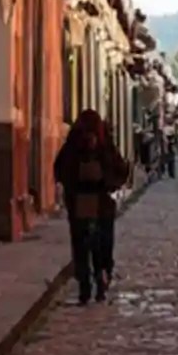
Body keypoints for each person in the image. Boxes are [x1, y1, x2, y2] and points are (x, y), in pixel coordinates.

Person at [53, 110, 130, 304]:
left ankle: (84, 287)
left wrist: (73, 188)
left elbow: (60, 170)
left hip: (78, 203)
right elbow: (120, 170)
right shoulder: (105, 146)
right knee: (102, 244)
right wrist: (110, 185)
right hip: (102, 203)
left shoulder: (72, 145)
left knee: (80, 246)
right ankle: (102, 278)